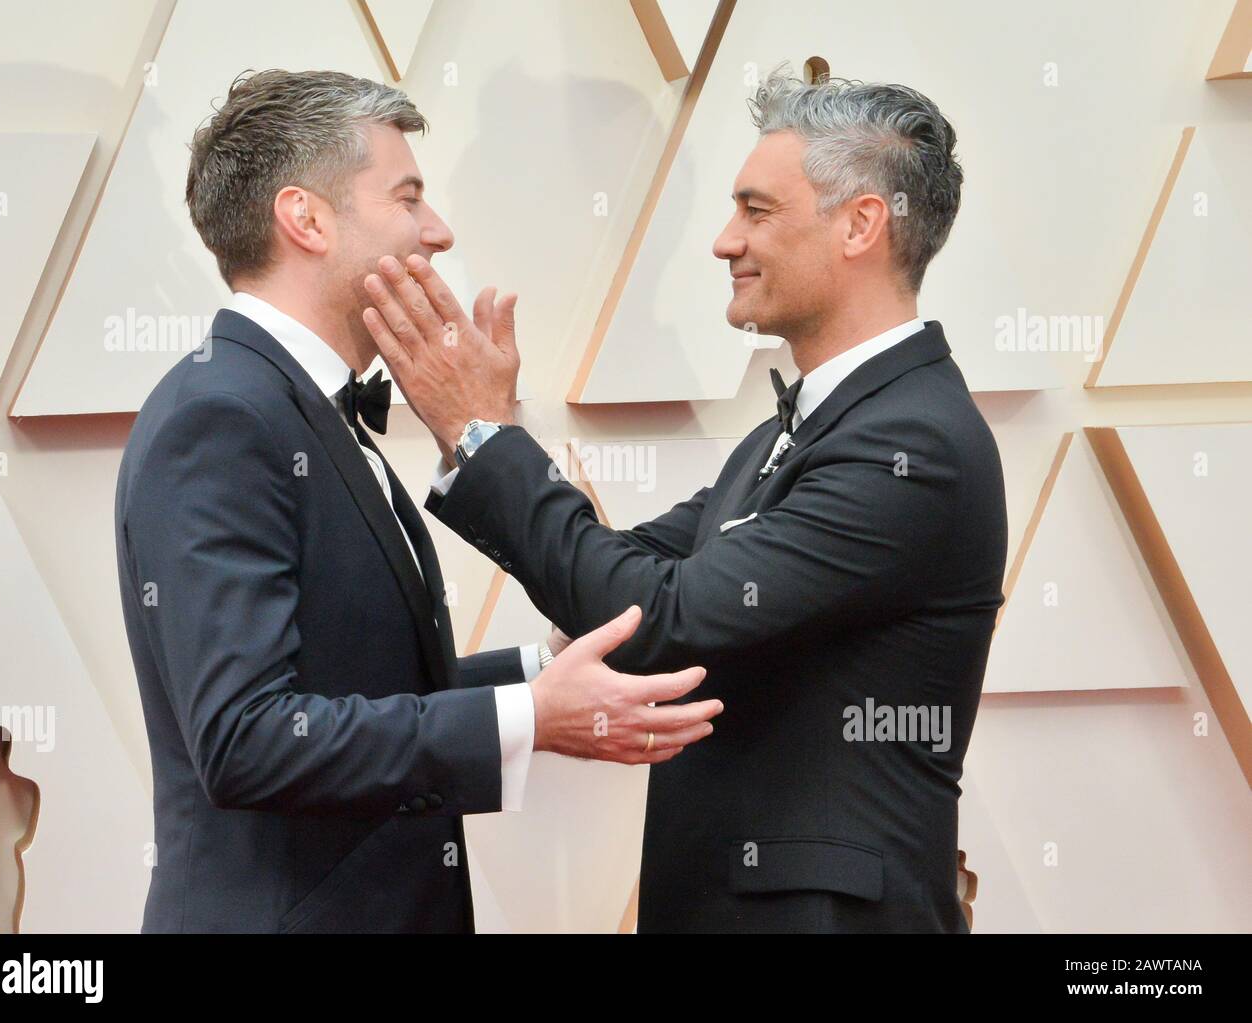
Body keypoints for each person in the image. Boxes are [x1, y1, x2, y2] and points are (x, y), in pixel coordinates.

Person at [363, 68, 1007, 933]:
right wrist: (490, 434)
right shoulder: (801, 430)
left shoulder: (910, 445)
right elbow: (622, 579)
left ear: (861, 225)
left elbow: (659, 617)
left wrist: (484, 438)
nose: (723, 240)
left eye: (757, 210)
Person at [114, 69, 721, 934]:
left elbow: (352, 686)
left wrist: (534, 675)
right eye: (407, 198)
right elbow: (246, 736)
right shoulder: (222, 415)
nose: (437, 230)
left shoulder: (291, 402)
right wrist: (527, 719)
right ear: (307, 218)